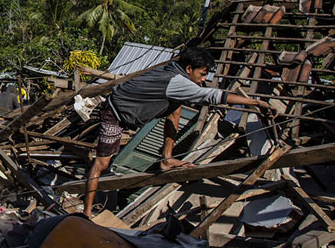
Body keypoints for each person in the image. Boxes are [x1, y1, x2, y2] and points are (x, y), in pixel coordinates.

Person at [83, 46, 276, 218]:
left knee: (175, 108)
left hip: (133, 109)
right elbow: (212, 96)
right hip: (115, 113)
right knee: (102, 163)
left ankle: (167, 158)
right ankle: (87, 212)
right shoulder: (177, 82)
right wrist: (255, 102)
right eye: (202, 74)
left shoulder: (174, 71)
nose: (202, 80)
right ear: (189, 69)